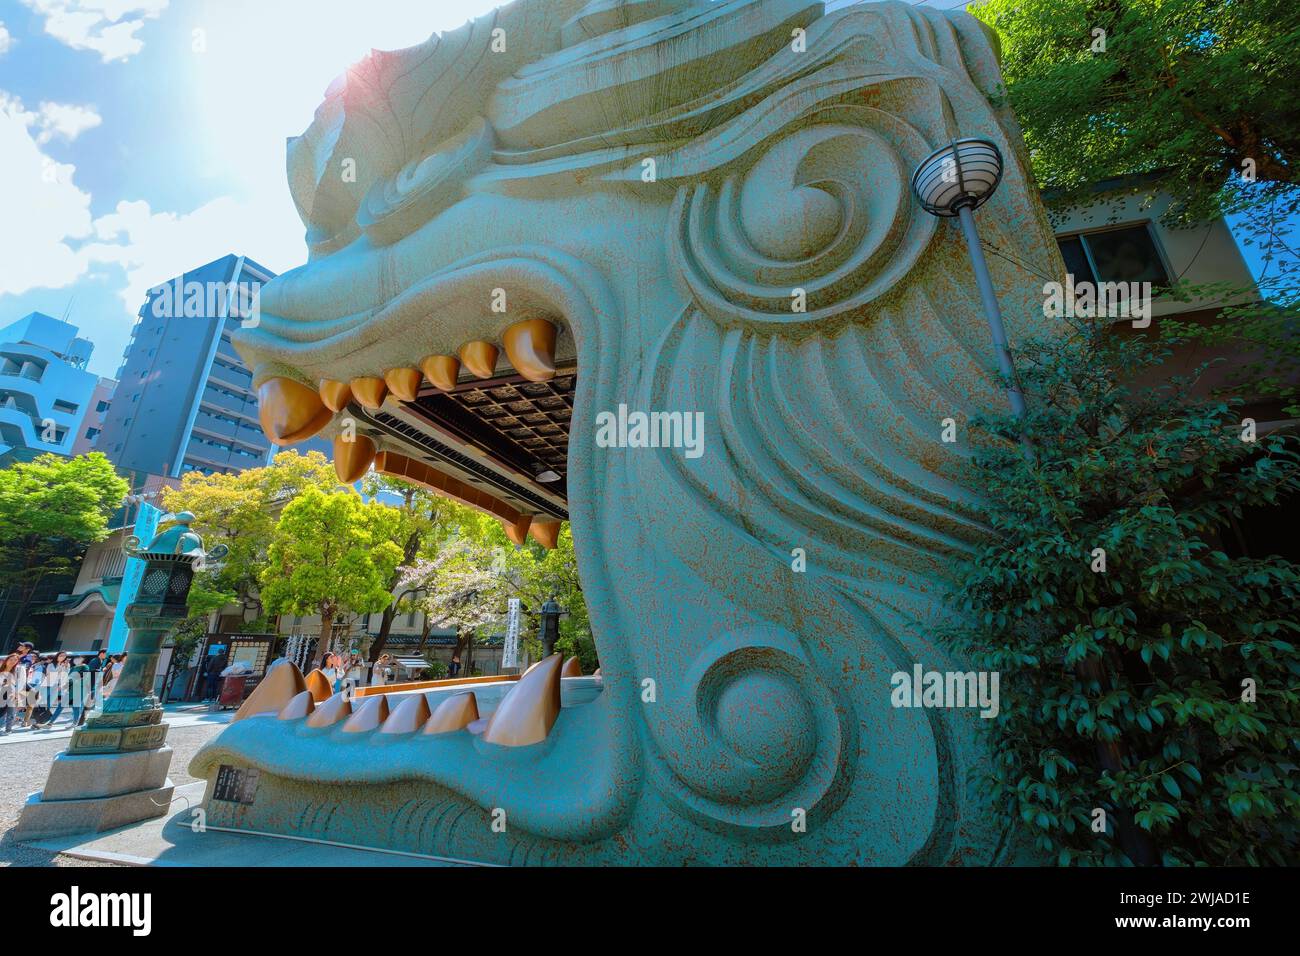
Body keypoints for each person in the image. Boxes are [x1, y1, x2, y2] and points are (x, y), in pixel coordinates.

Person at [38, 651, 71, 729]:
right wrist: (59, 670)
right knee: (43, 702)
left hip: (56, 686)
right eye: (61, 655)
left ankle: (44, 720)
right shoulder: (51, 664)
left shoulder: (66, 665)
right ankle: (40, 718)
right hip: (47, 684)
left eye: (64, 656)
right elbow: (49, 674)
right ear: (57, 656)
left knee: (50, 703)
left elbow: (65, 675)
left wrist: (66, 667)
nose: (62, 657)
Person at [0, 653, 21, 735]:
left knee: (11, 713)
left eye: (15, 660)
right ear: (6, 660)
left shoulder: (16, 672)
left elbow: (20, 684)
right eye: (11, 659)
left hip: (12, 696)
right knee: (1, 713)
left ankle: (8, 730)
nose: (13, 661)